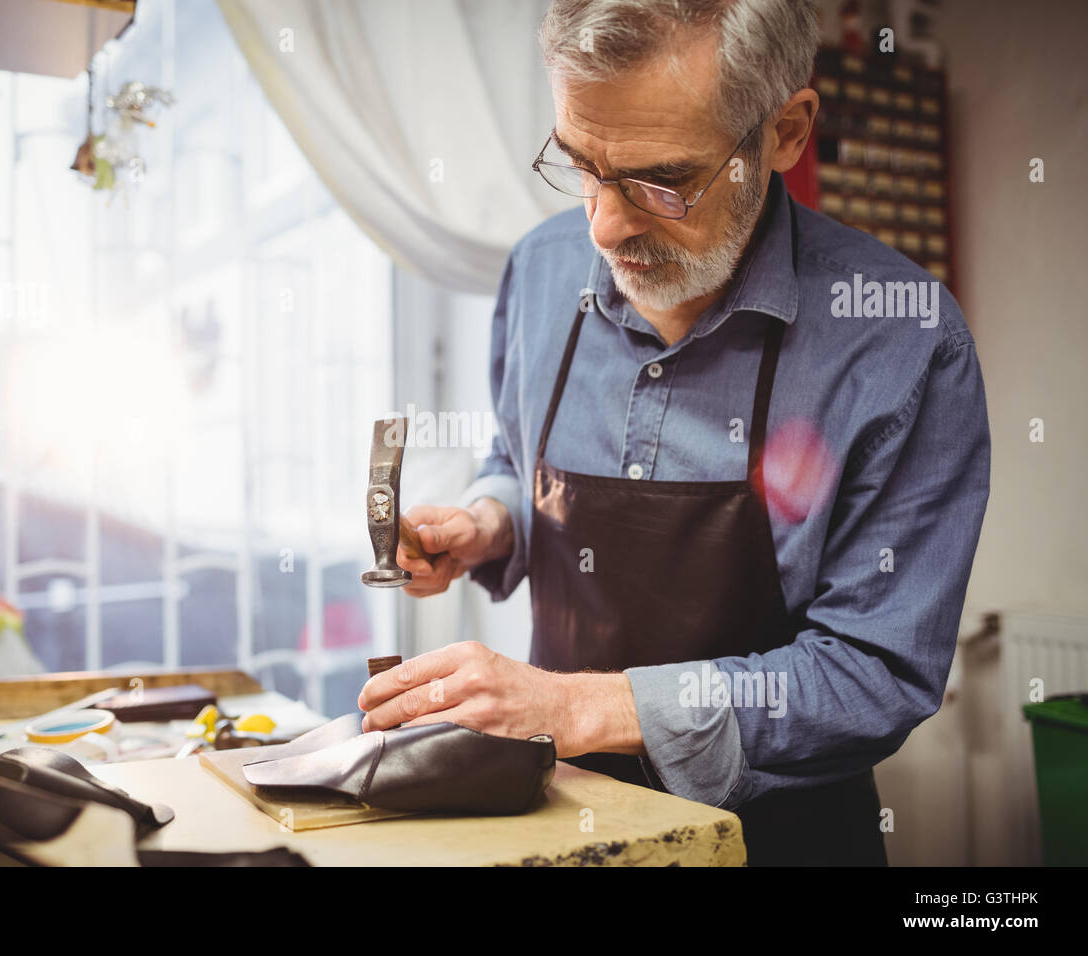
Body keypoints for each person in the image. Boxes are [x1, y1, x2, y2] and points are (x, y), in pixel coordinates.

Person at [357, 0, 989, 866]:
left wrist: (579, 709)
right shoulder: (541, 271)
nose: (604, 226)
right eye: (581, 164)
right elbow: (513, 454)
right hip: (557, 825)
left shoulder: (901, 340)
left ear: (786, 132)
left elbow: (876, 672)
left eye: (664, 180)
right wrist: (487, 521)